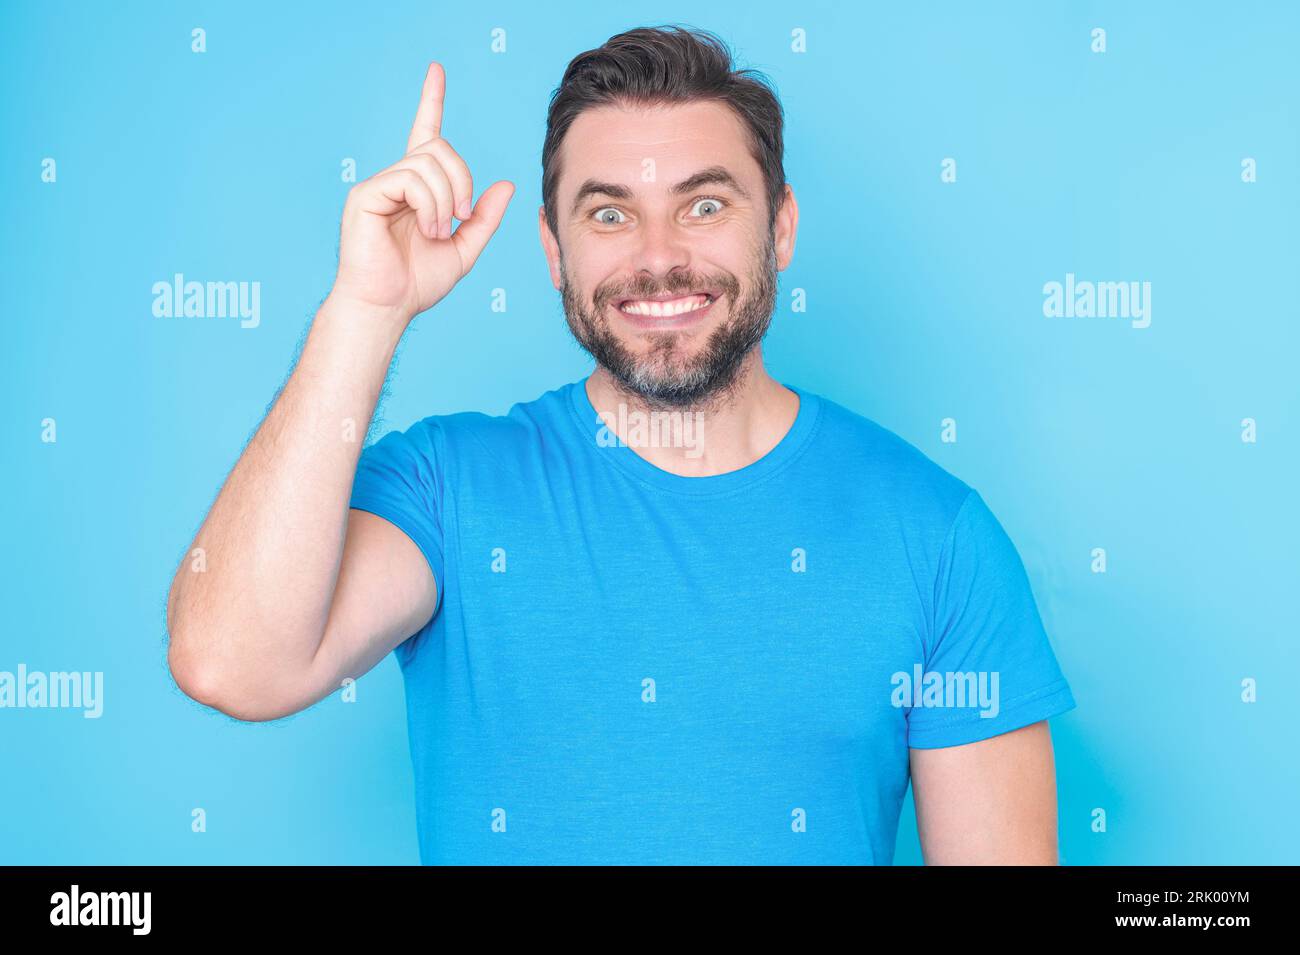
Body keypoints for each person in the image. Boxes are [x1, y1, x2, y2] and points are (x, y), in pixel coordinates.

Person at [166, 25, 1076, 865]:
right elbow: (230, 664)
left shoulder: (938, 537)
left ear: (781, 227)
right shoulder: (447, 490)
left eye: (704, 205)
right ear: (553, 250)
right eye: (609, 214)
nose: (657, 256)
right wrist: (366, 310)